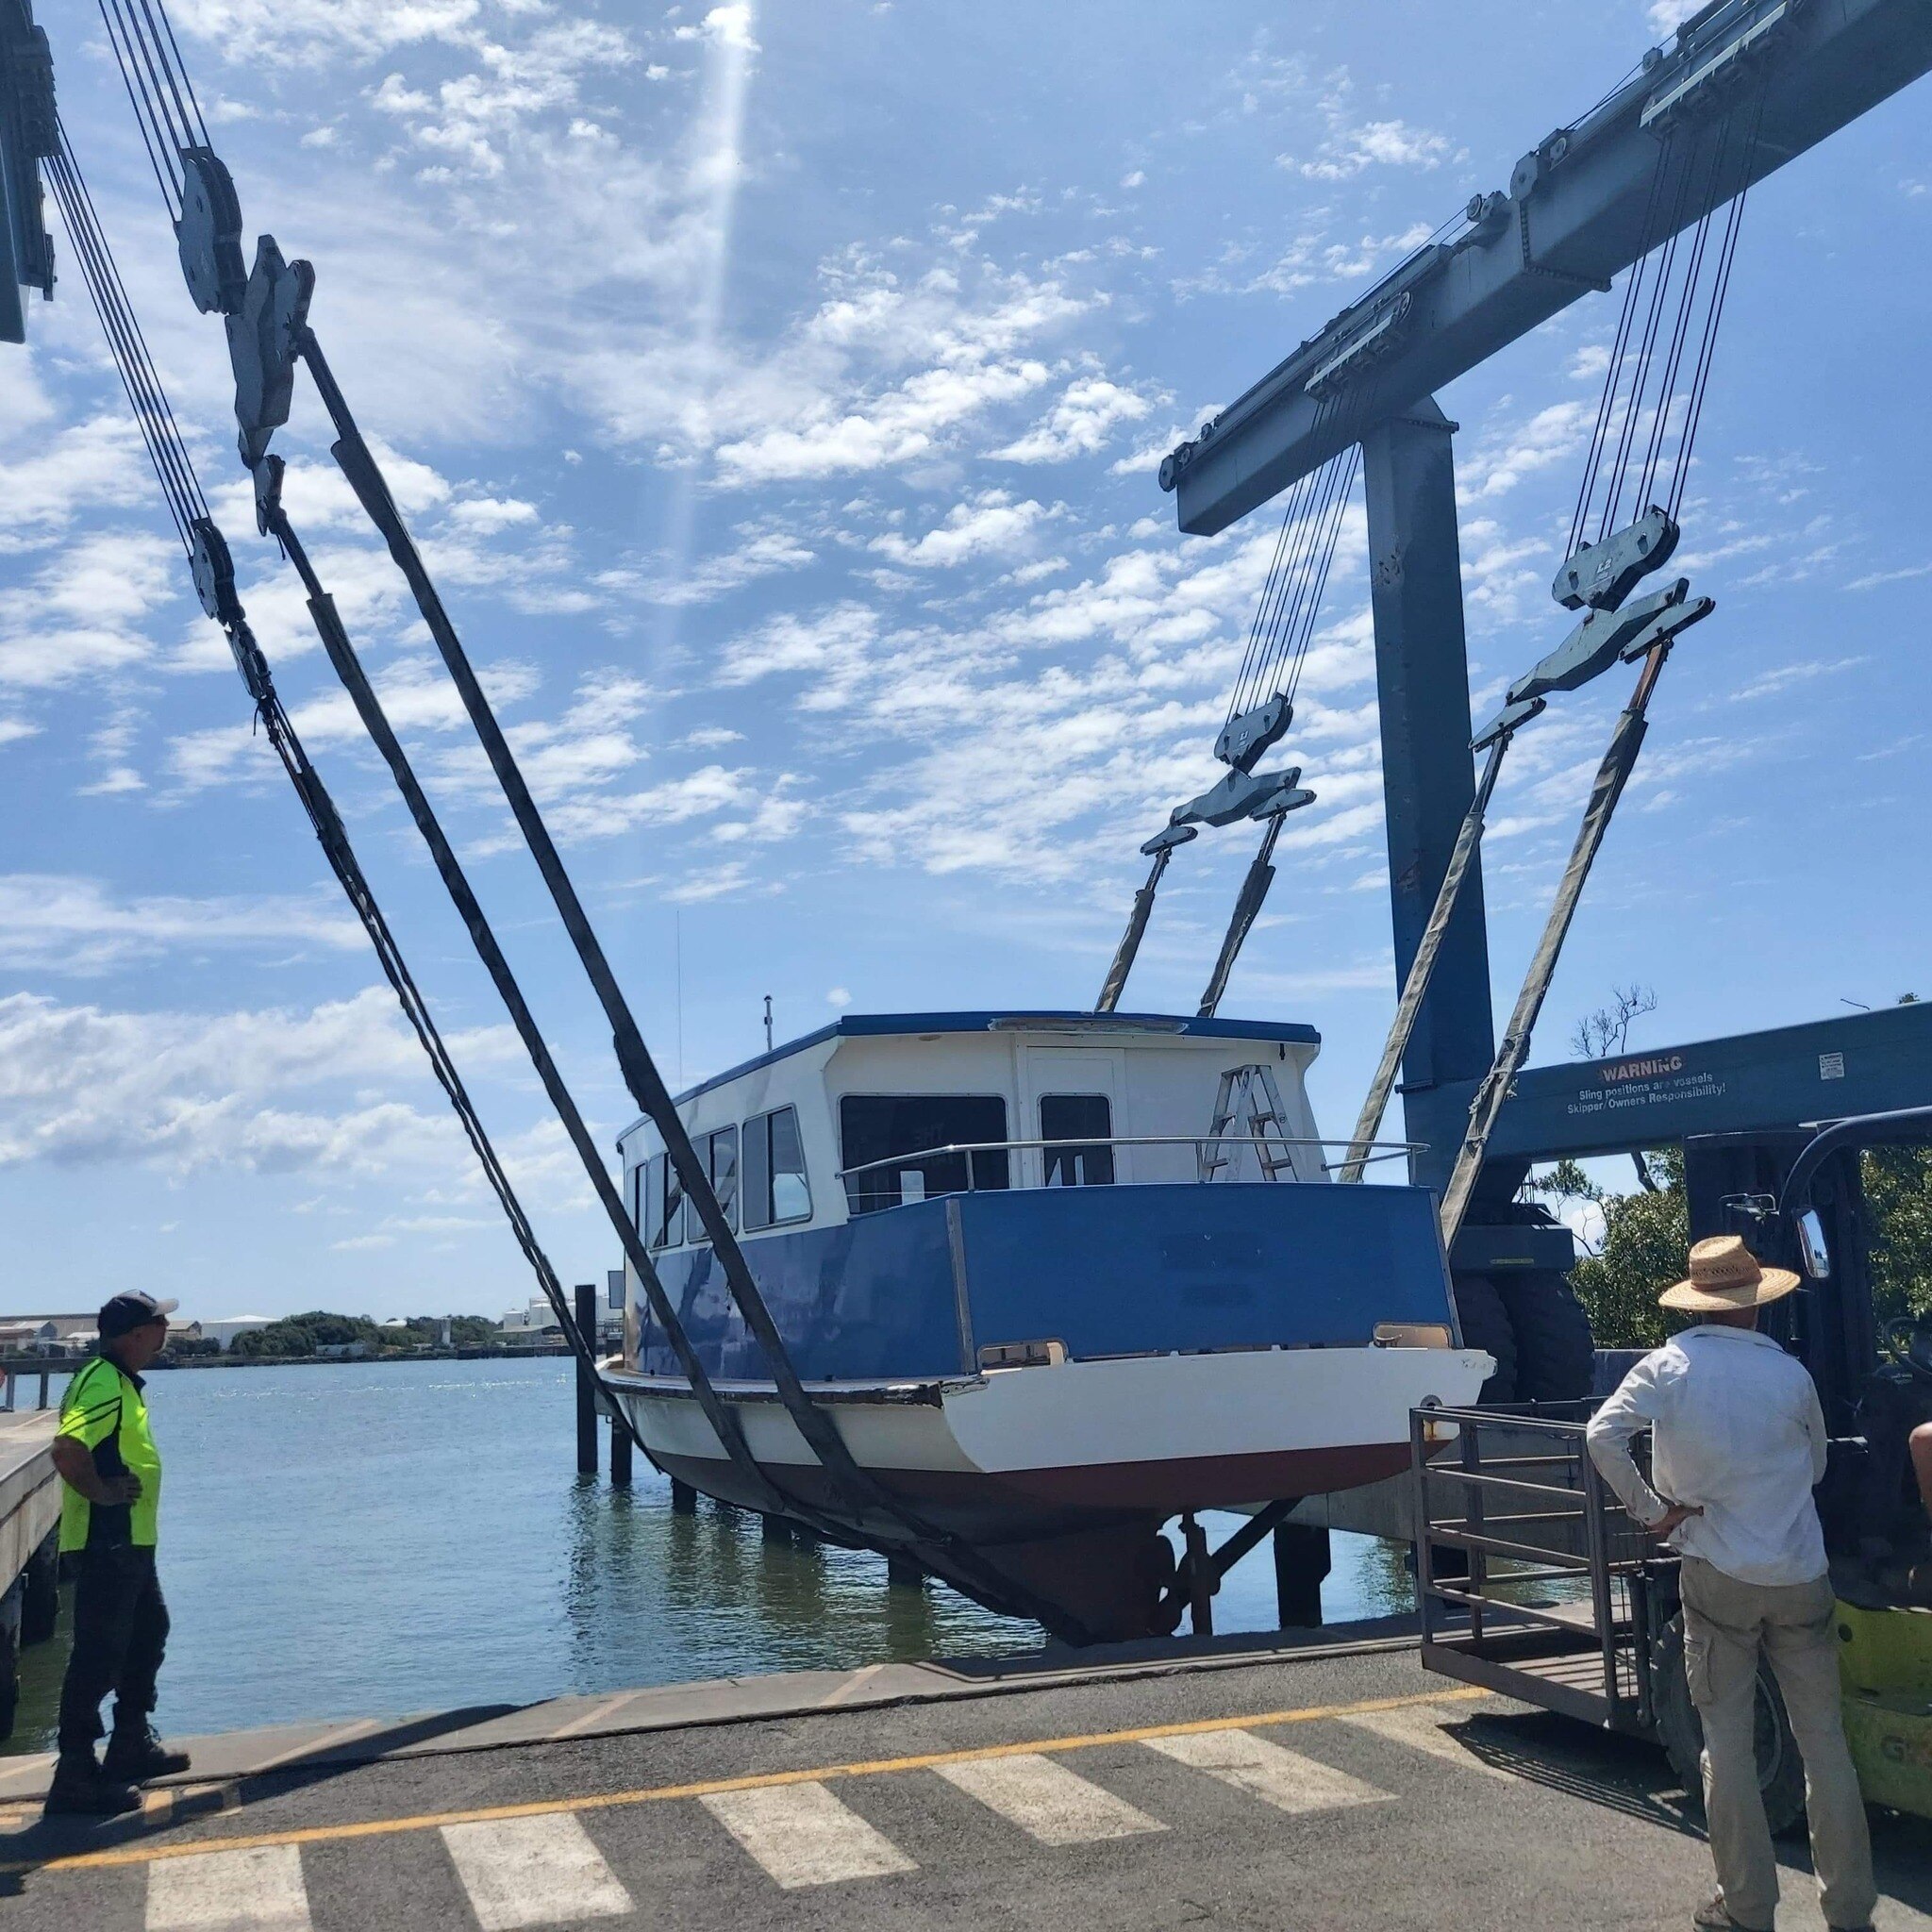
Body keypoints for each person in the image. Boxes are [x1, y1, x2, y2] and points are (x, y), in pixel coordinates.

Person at [1587, 1235, 1875, 1932]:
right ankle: (1850, 1912)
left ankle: (1746, 1909)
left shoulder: (1670, 1365)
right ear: (1757, 1307)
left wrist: (1656, 1512)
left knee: (1727, 1743)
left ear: (1696, 1302)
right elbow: (1814, 1470)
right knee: (1824, 1745)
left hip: (1716, 1573)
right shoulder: (1791, 1375)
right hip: (1800, 1573)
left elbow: (1601, 1436)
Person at [44, 1291, 192, 1819]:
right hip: (108, 1539)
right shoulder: (104, 1382)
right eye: (160, 1324)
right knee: (98, 1654)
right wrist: (102, 1493)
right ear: (136, 1334)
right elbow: (67, 1447)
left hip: (129, 1540)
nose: (165, 1333)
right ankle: (75, 1773)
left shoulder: (119, 1382)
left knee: (150, 1631)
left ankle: (130, 1742)